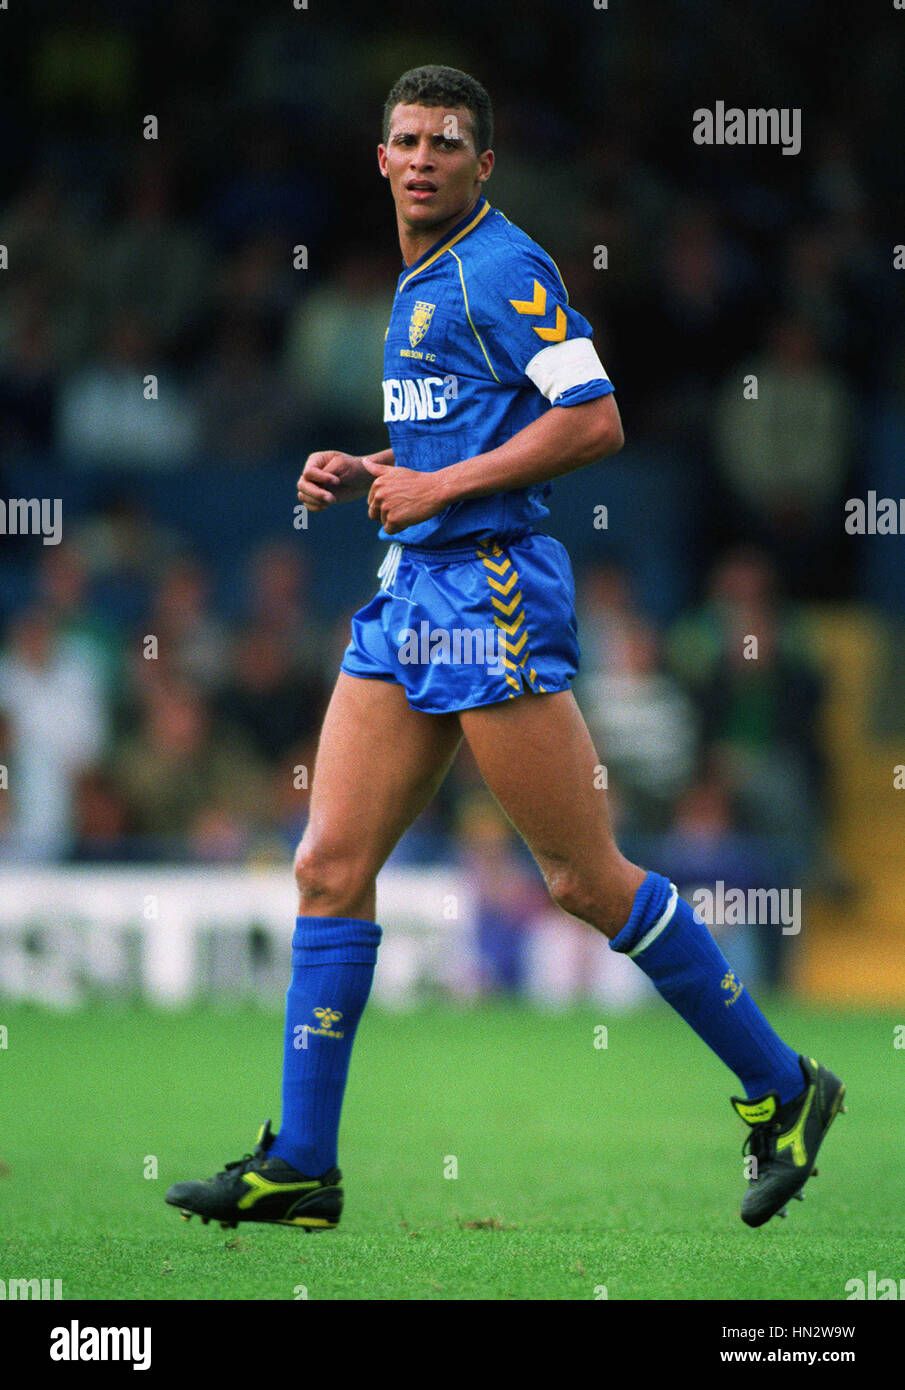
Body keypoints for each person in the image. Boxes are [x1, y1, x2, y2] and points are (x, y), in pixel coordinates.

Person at [166, 65, 844, 1235]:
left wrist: (437, 484)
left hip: (488, 596)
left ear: (482, 165)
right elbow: (458, 430)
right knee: (328, 865)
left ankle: (782, 1087)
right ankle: (305, 1165)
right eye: (405, 139)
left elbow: (594, 417)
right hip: (411, 591)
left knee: (581, 878)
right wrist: (373, 470)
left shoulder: (501, 265)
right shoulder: (420, 275)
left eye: (446, 142)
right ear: (379, 158)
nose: (422, 156)